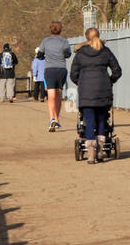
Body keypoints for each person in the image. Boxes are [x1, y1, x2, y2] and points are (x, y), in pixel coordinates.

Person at [69, 27, 122, 163]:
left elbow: (73, 74)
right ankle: (100, 149)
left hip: (86, 91)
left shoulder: (80, 53)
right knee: (101, 120)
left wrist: (80, 82)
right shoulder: (105, 51)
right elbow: (117, 70)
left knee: (89, 119)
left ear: (86, 38)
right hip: (103, 90)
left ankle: (91, 152)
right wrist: (109, 81)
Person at [39, 22, 72, 132]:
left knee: (51, 95)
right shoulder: (64, 41)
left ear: (50, 30)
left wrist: (46, 55)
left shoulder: (45, 41)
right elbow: (68, 54)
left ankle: (51, 119)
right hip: (61, 69)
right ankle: (57, 119)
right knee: (58, 94)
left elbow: (39, 55)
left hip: (49, 70)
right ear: (60, 30)